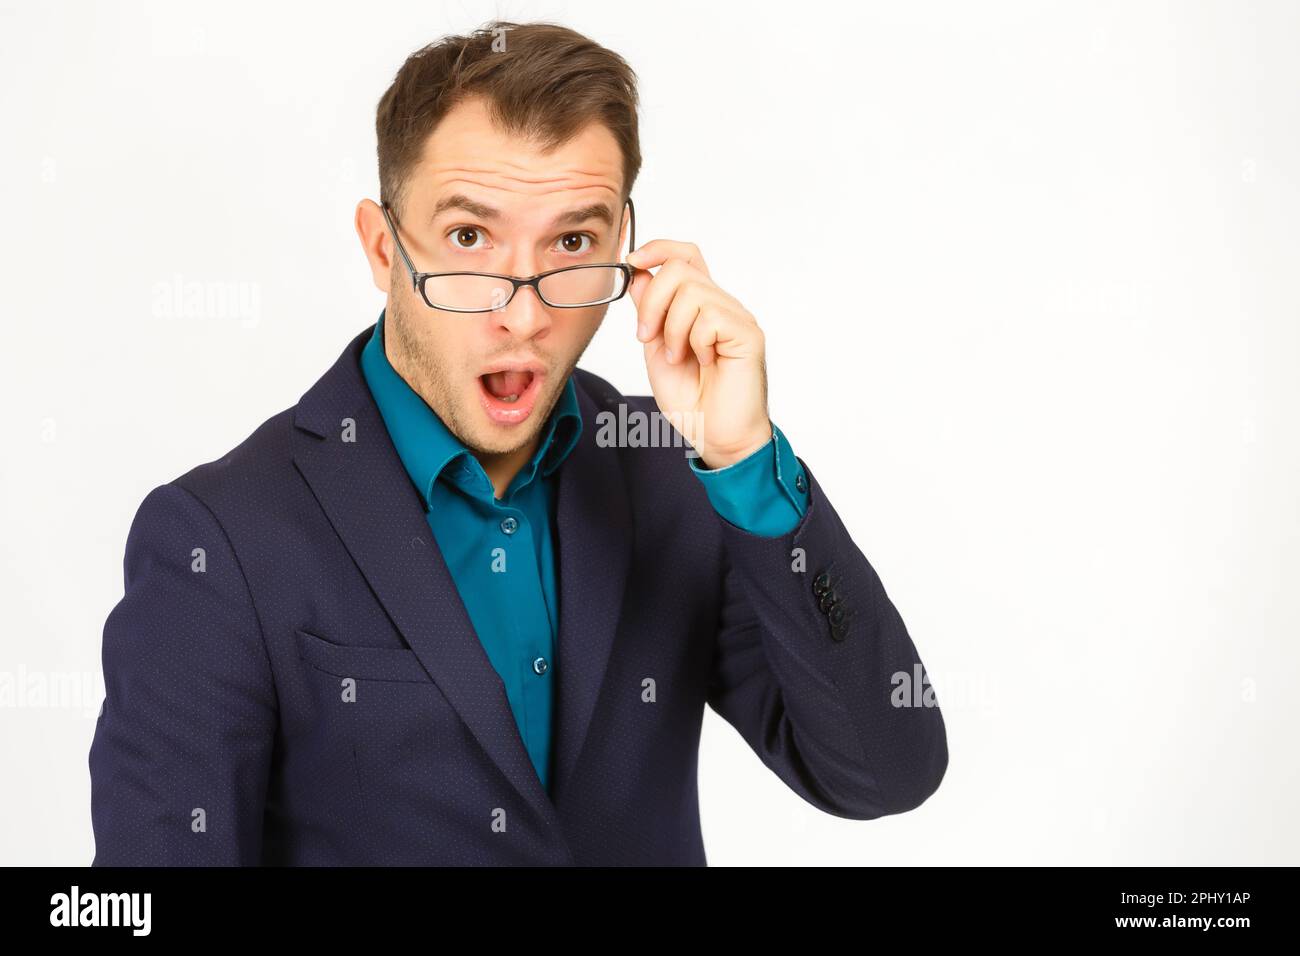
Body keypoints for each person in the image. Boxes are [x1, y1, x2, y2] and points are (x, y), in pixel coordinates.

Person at [88, 20, 947, 866]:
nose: (526, 314)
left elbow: (886, 773)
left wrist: (747, 462)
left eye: (573, 242)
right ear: (384, 247)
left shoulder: (673, 471)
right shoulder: (218, 539)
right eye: (470, 239)